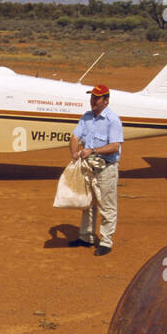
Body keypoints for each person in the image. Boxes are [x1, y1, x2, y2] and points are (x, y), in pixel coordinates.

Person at [69, 84, 124, 256]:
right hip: (88, 167)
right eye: (92, 97)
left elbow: (115, 146)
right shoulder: (86, 117)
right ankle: (86, 237)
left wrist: (92, 151)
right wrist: (74, 153)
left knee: (107, 206)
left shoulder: (113, 120)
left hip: (106, 168)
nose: (93, 100)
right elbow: (75, 136)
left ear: (106, 101)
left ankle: (106, 242)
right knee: (87, 203)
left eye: (97, 98)